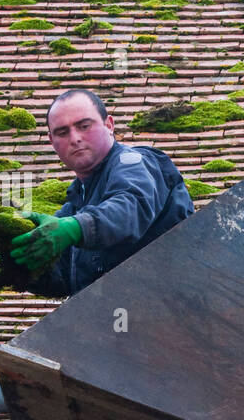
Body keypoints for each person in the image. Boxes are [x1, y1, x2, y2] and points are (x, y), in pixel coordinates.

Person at [10, 88, 195, 297]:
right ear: (52, 142)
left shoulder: (134, 163)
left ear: (109, 125)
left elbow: (129, 207)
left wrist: (75, 228)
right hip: (115, 322)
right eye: (62, 132)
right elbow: (64, 280)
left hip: (172, 312)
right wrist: (22, 261)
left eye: (84, 126)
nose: (75, 138)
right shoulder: (74, 206)